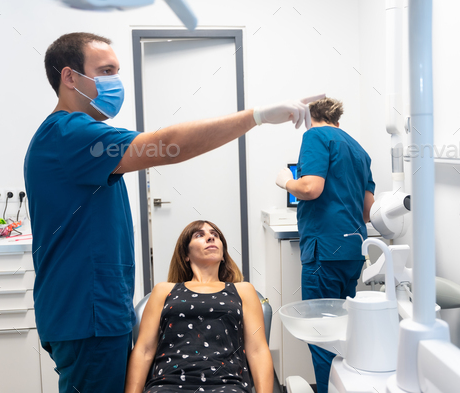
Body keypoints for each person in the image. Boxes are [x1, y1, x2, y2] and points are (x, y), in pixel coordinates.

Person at [24, 32, 321, 393]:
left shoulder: (75, 138)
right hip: (88, 315)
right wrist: (255, 116)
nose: (115, 82)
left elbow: (256, 351)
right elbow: (166, 146)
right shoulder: (69, 134)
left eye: (117, 71)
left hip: (93, 313)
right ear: (70, 77)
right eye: (105, 71)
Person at [274, 98, 375, 393]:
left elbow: (310, 188)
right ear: (337, 122)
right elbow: (367, 210)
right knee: (344, 329)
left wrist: (285, 181)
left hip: (324, 250)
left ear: (309, 118)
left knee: (320, 334)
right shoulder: (359, 150)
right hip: (353, 251)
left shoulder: (314, 136)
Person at [125, 220, 273, 393]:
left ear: (223, 253)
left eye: (215, 235)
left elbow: (257, 351)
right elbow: (144, 350)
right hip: (168, 385)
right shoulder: (164, 291)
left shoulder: (243, 291)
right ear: (186, 254)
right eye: (199, 235)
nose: (210, 237)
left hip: (227, 384)